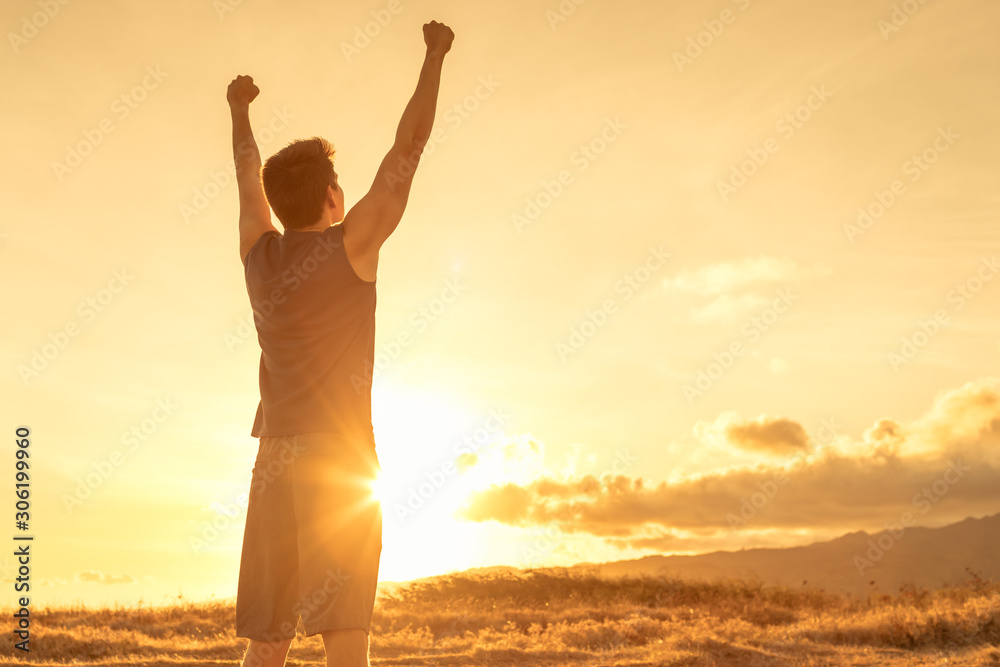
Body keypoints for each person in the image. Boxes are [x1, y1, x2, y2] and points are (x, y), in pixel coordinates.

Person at [225, 20, 455, 667]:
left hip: (273, 456)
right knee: (344, 628)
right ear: (334, 196)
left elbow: (246, 177)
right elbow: (408, 146)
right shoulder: (352, 247)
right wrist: (435, 56)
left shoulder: (258, 253)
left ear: (277, 203)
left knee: (269, 633)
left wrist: (239, 110)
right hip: (340, 456)